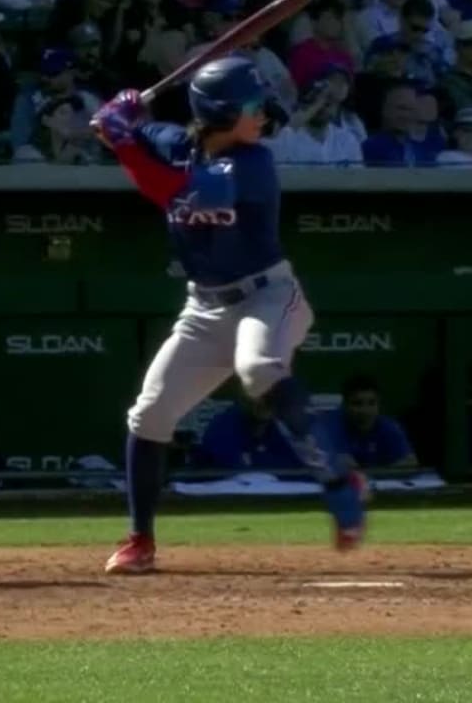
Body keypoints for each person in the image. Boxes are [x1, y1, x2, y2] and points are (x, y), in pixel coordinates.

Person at [91, 57, 371, 574]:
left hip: (268, 297)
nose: (261, 114)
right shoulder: (179, 144)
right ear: (217, 113)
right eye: (250, 106)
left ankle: (337, 480)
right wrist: (118, 116)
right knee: (149, 415)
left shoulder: (253, 164)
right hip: (204, 306)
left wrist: (123, 143)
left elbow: (173, 193)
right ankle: (140, 540)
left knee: (259, 368)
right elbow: (140, 132)